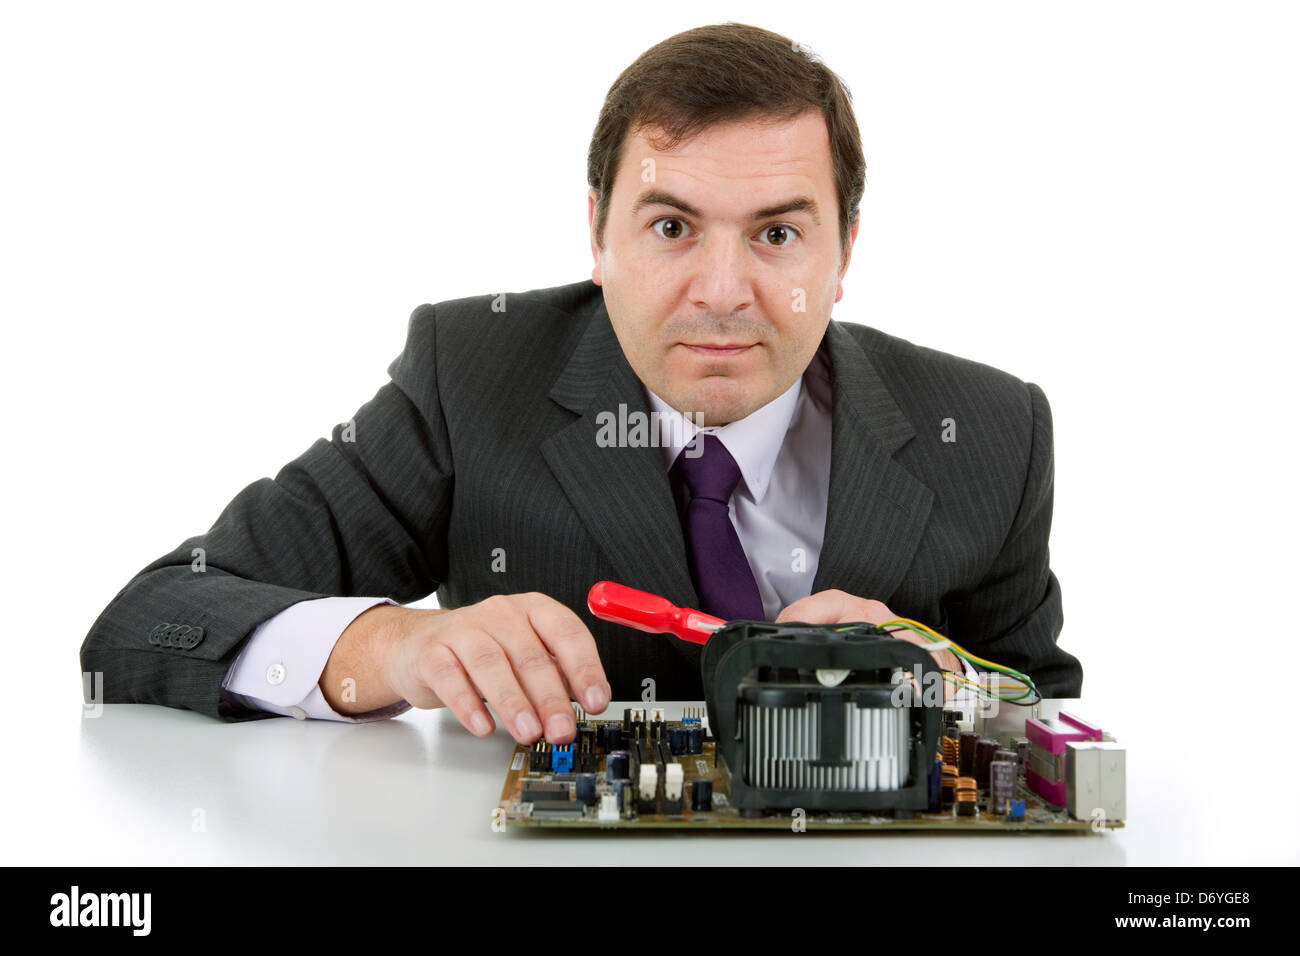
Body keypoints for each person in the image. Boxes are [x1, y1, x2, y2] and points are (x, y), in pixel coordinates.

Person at [80, 22, 1081, 748]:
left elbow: (1051, 719)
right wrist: (391, 647)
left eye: (777, 233)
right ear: (597, 236)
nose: (722, 292)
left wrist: (948, 680)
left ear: (844, 251)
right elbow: (149, 618)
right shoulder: (469, 377)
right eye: (671, 226)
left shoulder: (992, 432)